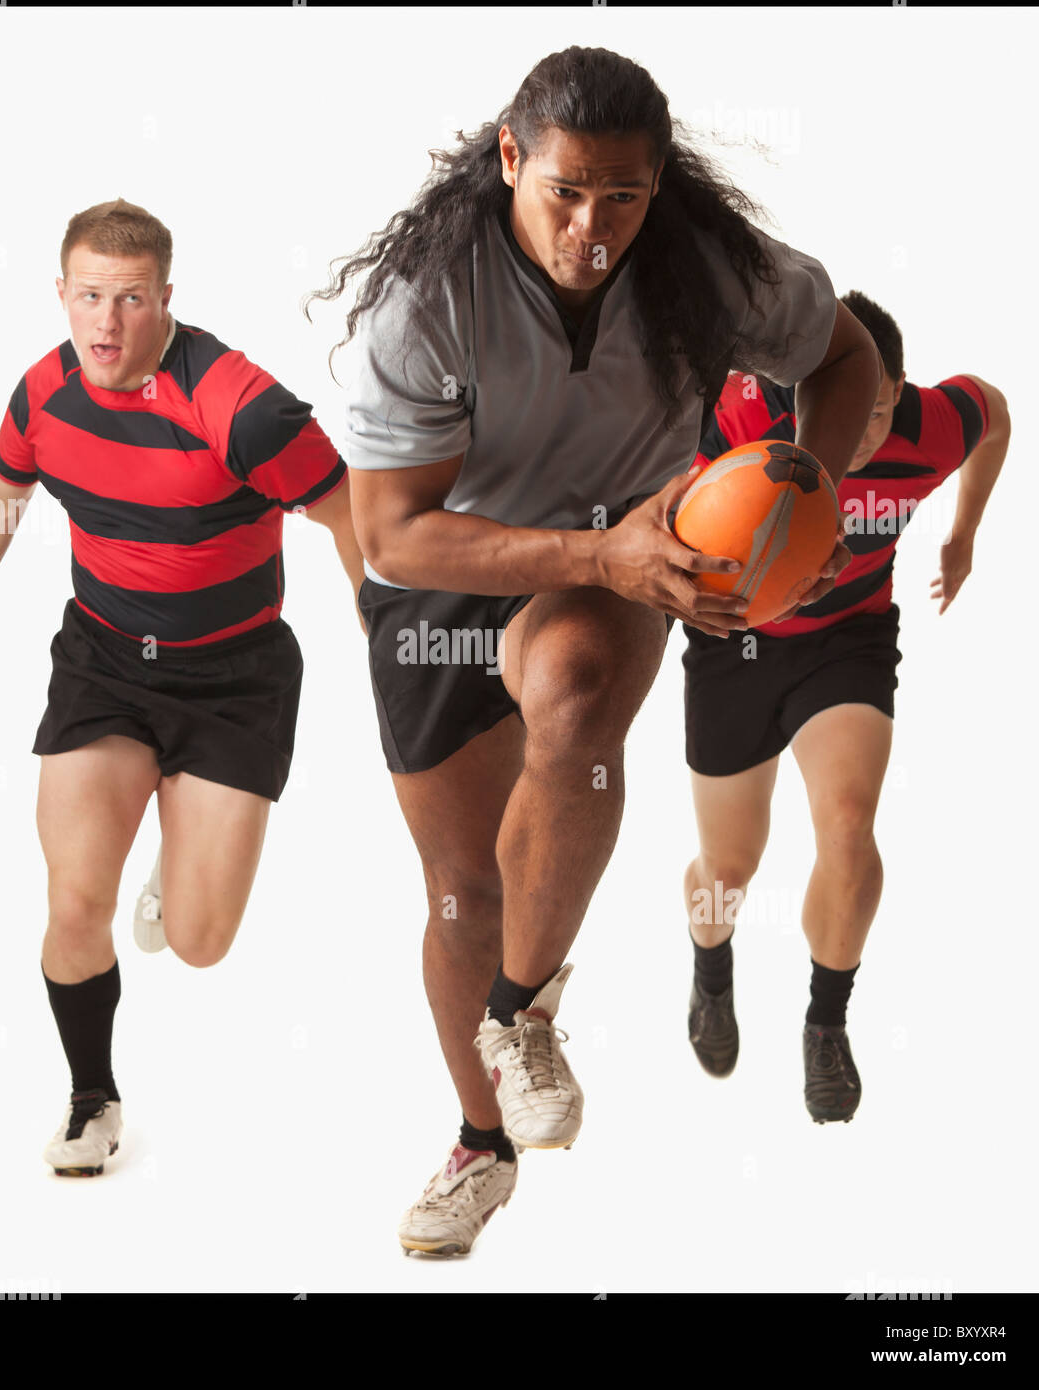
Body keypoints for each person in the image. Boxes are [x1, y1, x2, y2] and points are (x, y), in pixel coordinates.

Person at [307, 46, 877, 1255]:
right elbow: (393, 533)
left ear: (658, 183)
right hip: (446, 574)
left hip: (641, 540)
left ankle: (519, 1013)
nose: (592, 224)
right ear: (511, 157)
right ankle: (483, 1144)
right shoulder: (429, 296)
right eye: (565, 189)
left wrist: (808, 494)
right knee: (465, 889)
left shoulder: (710, 267)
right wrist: (592, 556)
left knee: (572, 694)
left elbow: (843, 358)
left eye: (623, 195)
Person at [0, 198, 363, 1176]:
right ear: (61, 297)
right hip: (105, 664)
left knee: (198, 943)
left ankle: (184, 846)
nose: (105, 323)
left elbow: (350, 513)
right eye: (87, 298)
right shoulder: (45, 392)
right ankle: (90, 1099)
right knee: (75, 901)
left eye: (129, 299)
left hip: (234, 678)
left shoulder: (242, 406)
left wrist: (388, 630)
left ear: (165, 299)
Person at [680, 289, 1010, 1122]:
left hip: (847, 642)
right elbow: (669, 510)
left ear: (897, 390)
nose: (861, 433)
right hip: (736, 645)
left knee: (848, 822)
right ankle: (710, 968)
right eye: (844, 412)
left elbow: (995, 412)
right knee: (729, 870)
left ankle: (825, 1020)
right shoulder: (740, 412)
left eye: (879, 409)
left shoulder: (932, 425)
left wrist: (963, 532)